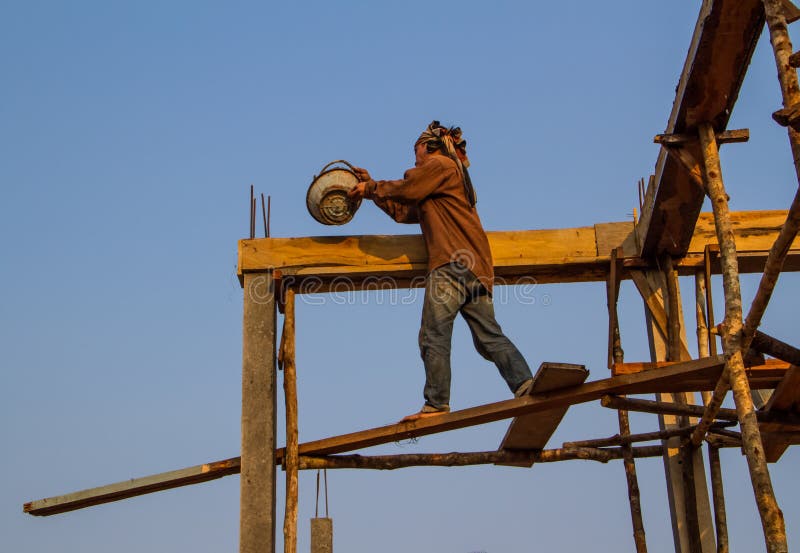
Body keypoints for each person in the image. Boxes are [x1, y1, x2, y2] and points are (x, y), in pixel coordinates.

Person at [348, 121, 533, 421]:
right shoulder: (444, 179)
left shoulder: (439, 165)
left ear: (427, 147)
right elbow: (403, 210)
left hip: (451, 265)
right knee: (489, 337)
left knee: (433, 334)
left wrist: (371, 186)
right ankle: (525, 383)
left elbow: (408, 188)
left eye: (415, 151)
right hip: (476, 268)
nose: (414, 158)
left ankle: (436, 404)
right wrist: (373, 191)